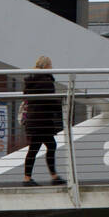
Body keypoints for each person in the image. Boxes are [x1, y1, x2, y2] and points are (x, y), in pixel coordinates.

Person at [22, 55, 64, 186]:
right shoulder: (46, 81)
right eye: (50, 65)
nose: (52, 68)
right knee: (42, 147)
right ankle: (29, 178)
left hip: (34, 120)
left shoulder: (31, 81)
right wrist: (60, 103)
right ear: (46, 67)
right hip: (42, 120)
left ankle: (51, 176)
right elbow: (50, 100)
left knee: (41, 147)